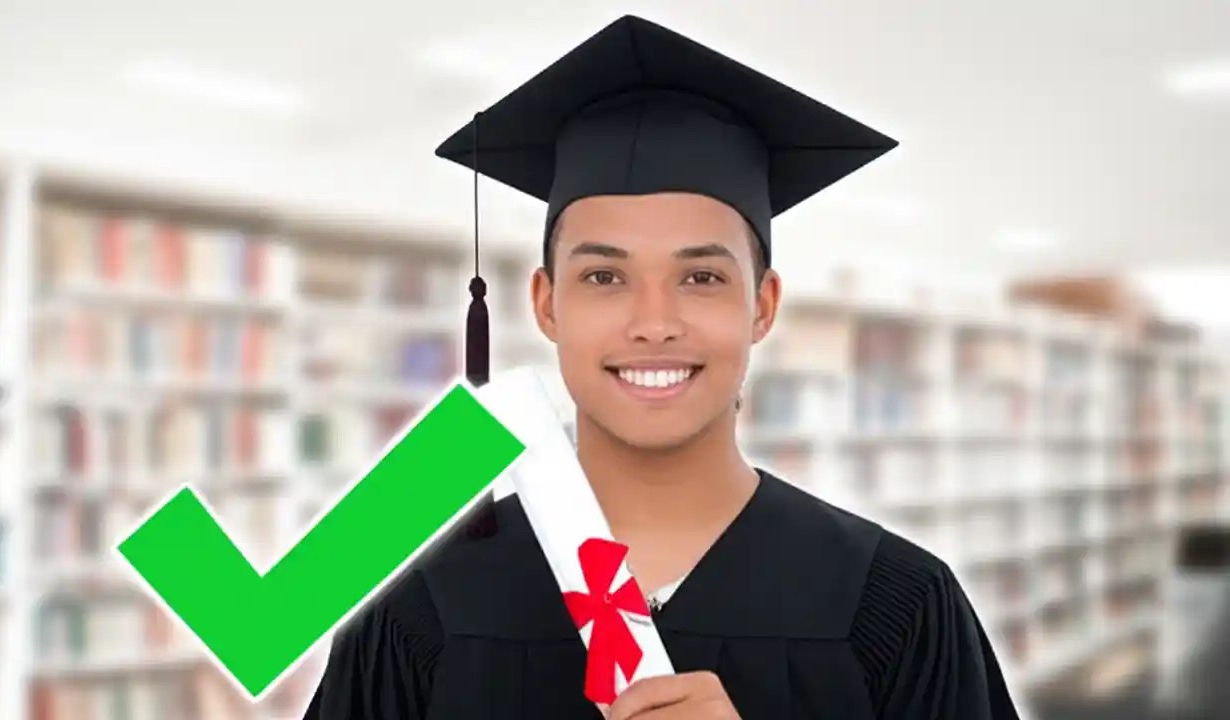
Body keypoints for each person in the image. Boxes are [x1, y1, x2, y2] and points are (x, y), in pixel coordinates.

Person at [304, 14, 1021, 720]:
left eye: (702, 278)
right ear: (546, 305)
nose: (654, 323)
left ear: (763, 306)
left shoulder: (897, 606)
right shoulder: (418, 603)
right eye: (603, 278)